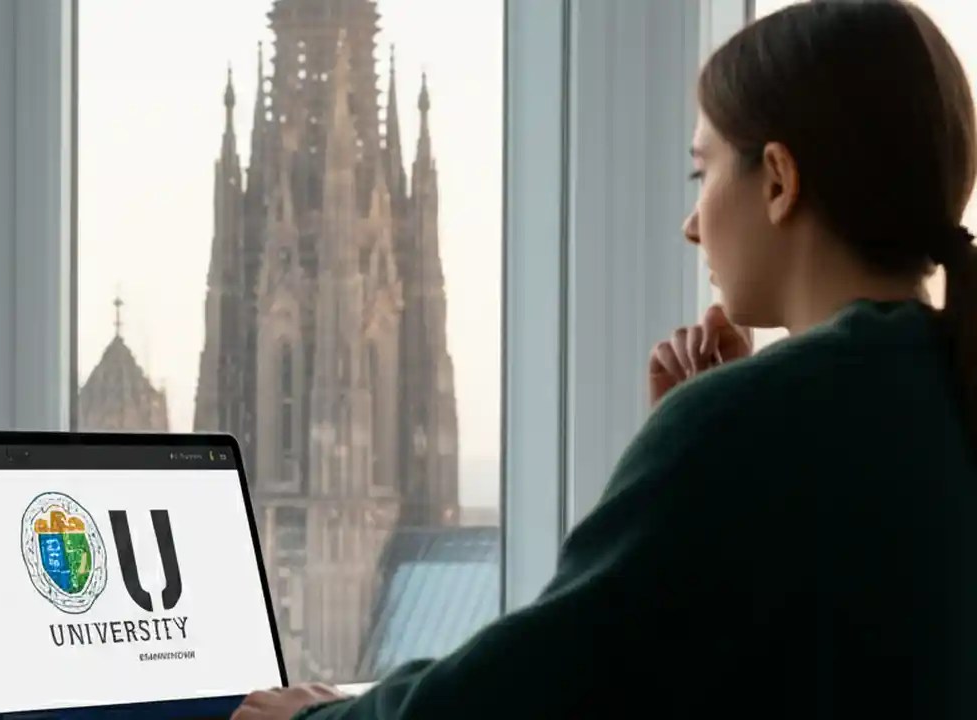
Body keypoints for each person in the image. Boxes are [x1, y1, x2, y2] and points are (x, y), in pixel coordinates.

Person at [232, 1, 977, 717]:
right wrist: (707, 468)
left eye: (702, 173)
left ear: (778, 181)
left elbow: (536, 684)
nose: (691, 223)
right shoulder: (937, 385)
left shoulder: (749, 423)